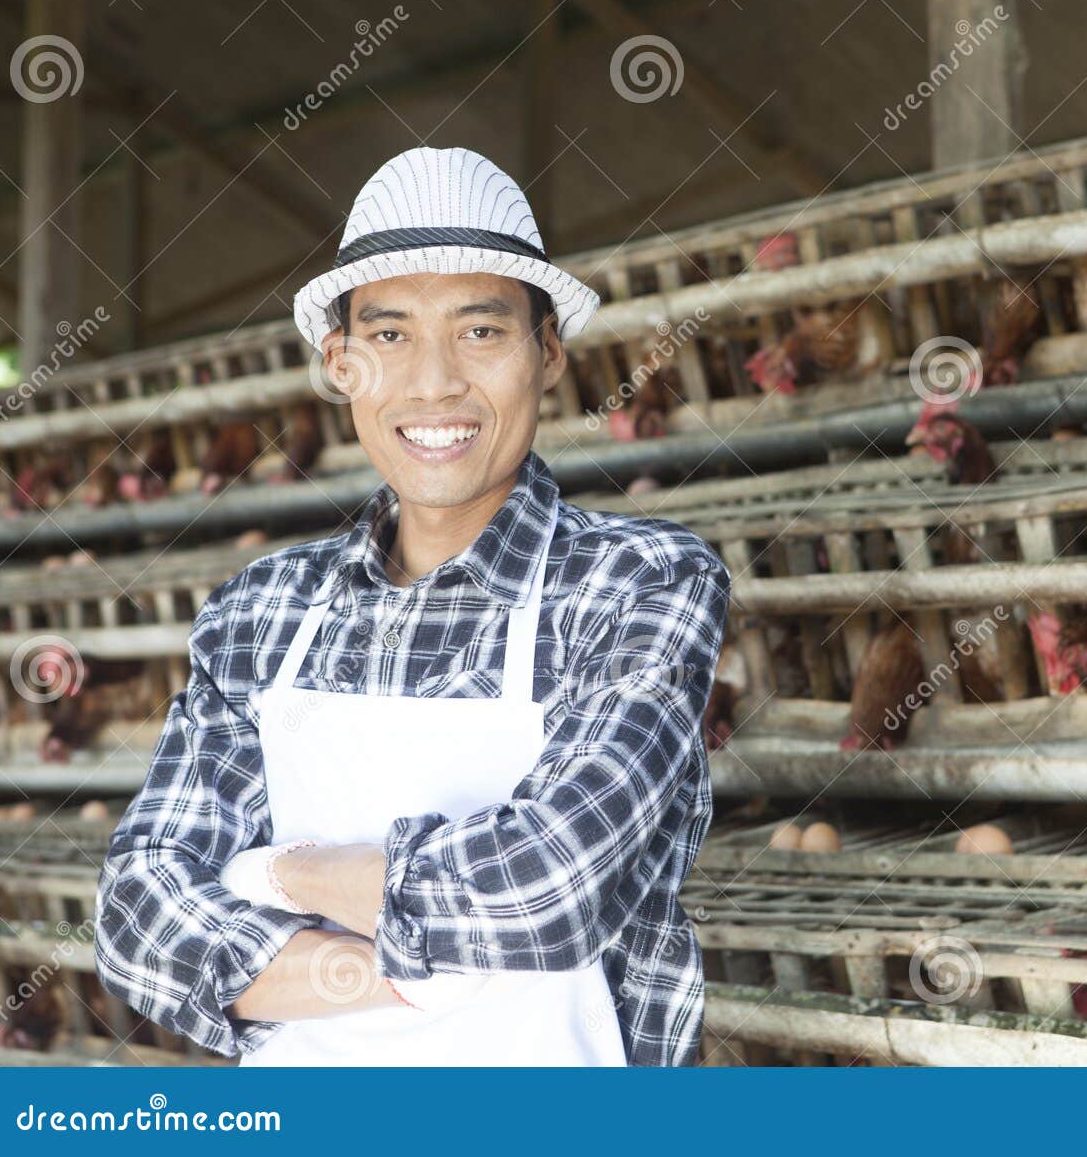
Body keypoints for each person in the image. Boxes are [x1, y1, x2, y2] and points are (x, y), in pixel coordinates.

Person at [95, 146, 729, 1067]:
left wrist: (276, 872)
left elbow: (550, 888)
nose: (433, 382)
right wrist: (419, 975)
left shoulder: (642, 583)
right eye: (389, 335)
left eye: (480, 331)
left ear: (547, 354)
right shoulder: (258, 612)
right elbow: (137, 917)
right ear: (342, 363)